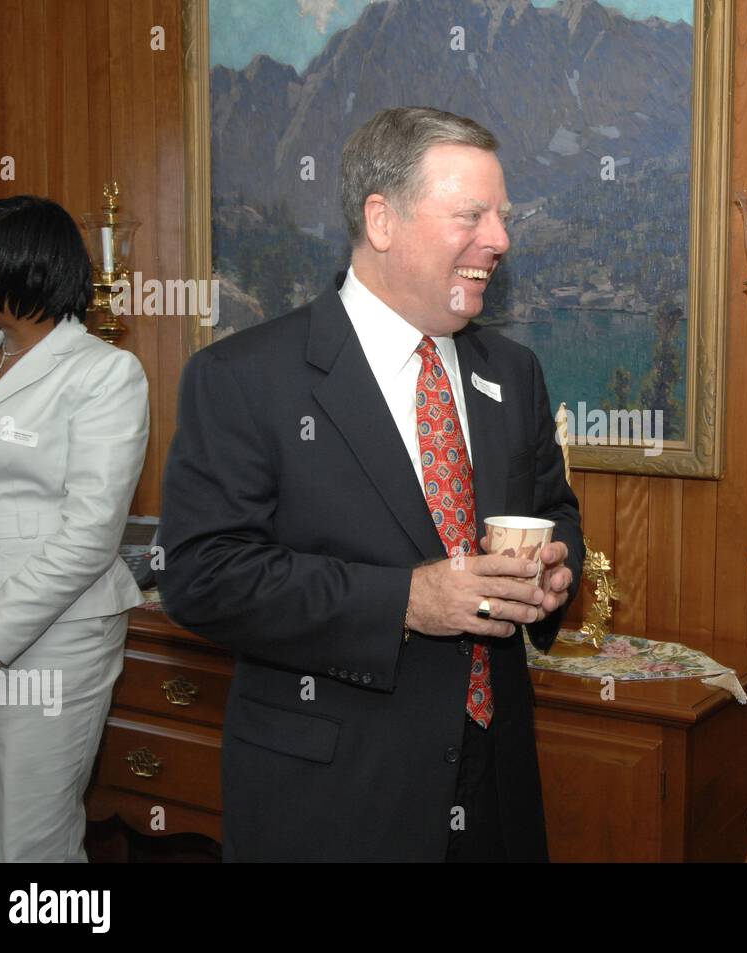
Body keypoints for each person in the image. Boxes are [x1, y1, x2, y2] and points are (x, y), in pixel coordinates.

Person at [158, 106, 584, 862]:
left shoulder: (513, 373)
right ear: (382, 220)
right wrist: (407, 601)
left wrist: (556, 574)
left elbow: (555, 510)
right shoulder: (245, 378)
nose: (500, 239)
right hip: (334, 802)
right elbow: (202, 575)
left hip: (497, 788)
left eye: (503, 217)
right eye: (472, 216)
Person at [0, 195, 151, 862]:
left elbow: (89, 536)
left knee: (33, 839)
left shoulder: (104, 372)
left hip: (53, 637)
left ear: (27, 265)